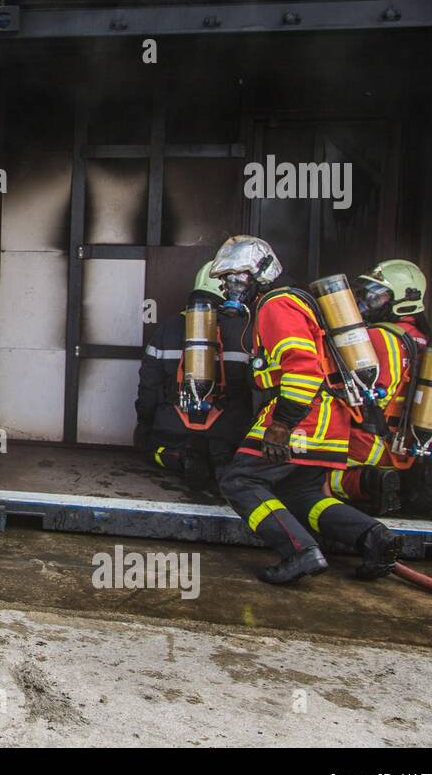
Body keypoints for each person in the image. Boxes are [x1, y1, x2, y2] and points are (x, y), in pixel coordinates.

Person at [209, 236, 403, 585]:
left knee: (239, 480)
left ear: (258, 274)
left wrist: (282, 423)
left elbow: (302, 368)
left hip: (304, 416)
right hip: (330, 419)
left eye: (233, 277)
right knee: (303, 495)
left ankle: (299, 552)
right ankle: (374, 538)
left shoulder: (277, 305)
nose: (226, 286)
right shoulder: (292, 302)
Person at [134, 261, 252, 491]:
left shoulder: (168, 327)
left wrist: (144, 422)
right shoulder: (246, 330)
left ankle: (178, 458)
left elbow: (148, 384)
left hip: (174, 428)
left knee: (149, 447)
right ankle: (222, 463)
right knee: (234, 453)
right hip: (229, 431)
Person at [327, 259, 431, 514]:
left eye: (377, 297)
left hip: (369, 442)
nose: (367, 303)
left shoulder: (377, 336)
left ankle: (368, 482)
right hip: (404, 446)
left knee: (308, 472)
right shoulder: (421, 339)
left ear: (406, 299)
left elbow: (354, 393)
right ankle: (388, 483)